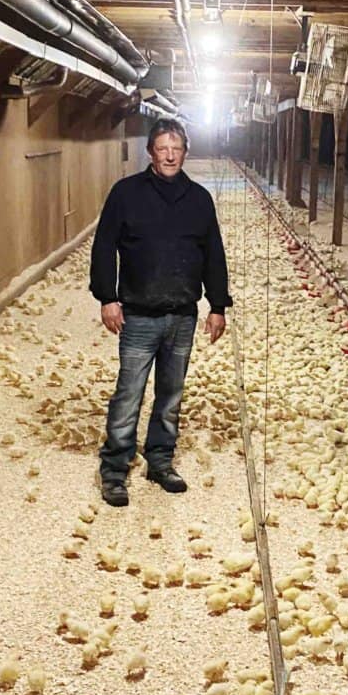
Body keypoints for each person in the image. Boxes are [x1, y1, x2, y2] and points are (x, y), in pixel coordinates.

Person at [89, 120, 231, 507]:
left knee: (170, 394)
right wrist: (107, 297)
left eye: (177, 148)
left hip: (182, 315)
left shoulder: (199, 199)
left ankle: (160, 461)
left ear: (186, 151)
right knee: (129, 393)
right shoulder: (126, 194)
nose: (170, 155)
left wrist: (217, 305)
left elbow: (212, 255)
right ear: (150, 151)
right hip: (138, 315)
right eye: (162, 147)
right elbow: (104, 247)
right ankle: (115, 469)